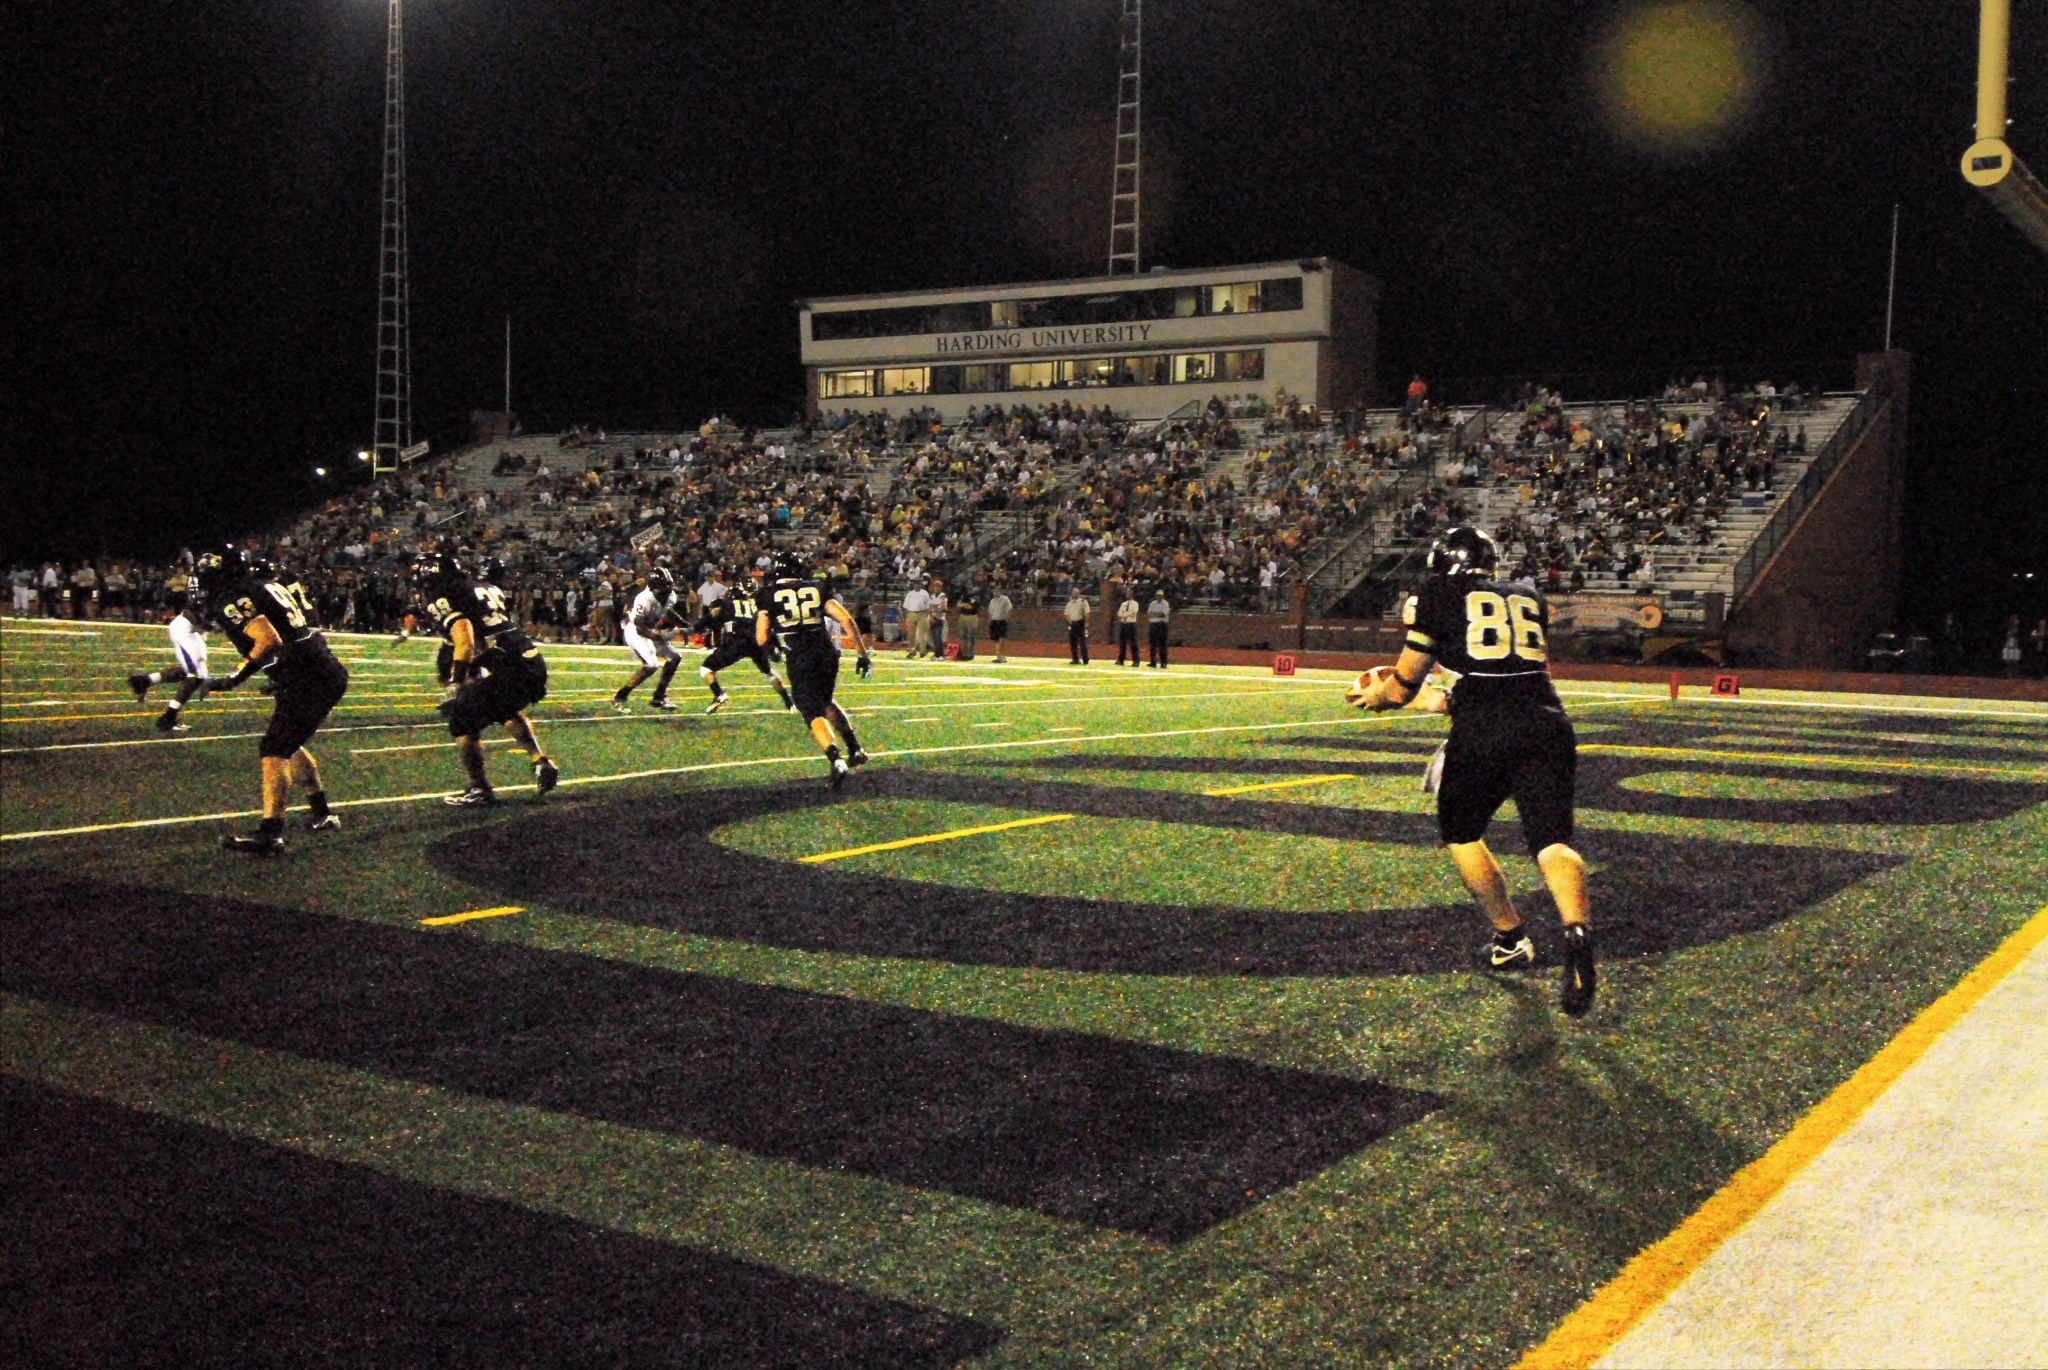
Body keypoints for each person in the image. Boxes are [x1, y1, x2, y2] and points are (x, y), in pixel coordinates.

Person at [1347, 525, 1596, 1016]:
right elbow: (1492, 680)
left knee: (1461, 833)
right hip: (1547, 723)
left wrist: (1381, 696)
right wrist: (1431, 702)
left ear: (1443, 564)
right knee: (1553, 841)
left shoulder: (1438, 592)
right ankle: (1578, 931)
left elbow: (1402, 686)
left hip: (1483, 730)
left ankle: (1510, 937)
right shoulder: (1527, 595)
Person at [198, 547, 349, 854]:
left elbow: (268, 639)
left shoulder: (234, 595)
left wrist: (233, 679)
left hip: (306, 676)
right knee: (288, 744)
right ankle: (322, 812)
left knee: (274, 749)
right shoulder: (265, 585)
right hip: (314, 669)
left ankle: (271, 833)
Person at [414, 553, 559, 807]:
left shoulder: (443, 595)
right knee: (504, 709)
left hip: (509, 665)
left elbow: (466, 639)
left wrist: (456, 683)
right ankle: (540, 760)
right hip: (529, 659)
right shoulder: (485, 587)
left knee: (462, 722)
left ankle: (479, 789)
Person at [758, 549, 874, 788]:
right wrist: (862, 654)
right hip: (826, 651)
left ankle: (835, 759)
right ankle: (855, 748)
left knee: (811, 712)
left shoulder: (768, 594)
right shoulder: (818, 588)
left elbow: (760, 636)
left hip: (800, 655)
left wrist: (773, 648)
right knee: (825, 700)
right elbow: (846, 620)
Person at [697, 564, 796, 714]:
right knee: (768, 672)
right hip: (755, 641)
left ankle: (719, 694)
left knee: (706, 668)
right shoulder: (756, 605)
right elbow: (768, 626)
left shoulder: (727, 604)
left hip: (736, 642)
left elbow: (708, 622)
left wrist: (698, 625)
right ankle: (789, 703)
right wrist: (777, 646)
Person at [127, 598, 213, 732]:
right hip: (185, 628)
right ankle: (168, 718)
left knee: (194, 671)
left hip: (191, 629)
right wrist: (208, 625)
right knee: (195, 675)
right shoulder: (215, 591)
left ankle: (144, 681)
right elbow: (194, 609)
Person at [614, 566, 685, 712]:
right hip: (635, 631)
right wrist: (661, 636)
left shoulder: (670, 595)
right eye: (664, 589)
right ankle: (620, 696)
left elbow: (668, 611)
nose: (668, 592)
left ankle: (659, 697)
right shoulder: (644, 598)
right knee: (651, 665)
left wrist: (686, 624)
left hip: (649, 630)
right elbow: (640, 628)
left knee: (675, 658)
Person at [901, 578, 931, 658]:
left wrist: (927, 615)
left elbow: (928, 605)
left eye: (918, 583)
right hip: (911, 613)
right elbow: (905, 606)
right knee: (911, 635)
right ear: (913, 585)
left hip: (921, 613)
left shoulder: (925, 593)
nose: (917, 585)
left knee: (922, 634)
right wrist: (905, 616)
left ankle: (922, 651)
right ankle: (912, 651)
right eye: (915, 583)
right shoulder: (910, 594)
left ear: (921, 584)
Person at [1064, 587, 1091, 664]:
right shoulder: (1069, 603)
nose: (1075, 594)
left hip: (1080, 623)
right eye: (1073, 592)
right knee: (1073, 643)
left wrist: (1087, 623)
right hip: (1073, 624)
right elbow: (1066, 614)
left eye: (1076, 592)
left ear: (1079, 594)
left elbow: (1087, 613)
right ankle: (1075, 659)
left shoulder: (1083, 602)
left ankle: (1085, 659)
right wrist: (1070, 622)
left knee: (1082, 643)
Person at [986, 585, 1013, 663]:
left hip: (1002, 621)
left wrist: (1007, 619)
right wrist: (989, 623)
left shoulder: (1005, 599)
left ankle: (1002, 655)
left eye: (997, 591)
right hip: (994, 621)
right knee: (997, 639)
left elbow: (1010, 609)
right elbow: (990, 612)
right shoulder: (992, 601)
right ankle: (998, 655)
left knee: (1002, 638)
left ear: (1001, 592)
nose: (995, 593)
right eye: (994, 591)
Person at [1115, 587, 1141, 665]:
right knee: (1122, 643)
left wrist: (1124, 615)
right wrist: (1125, 615)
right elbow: (1119, 613)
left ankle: (1136, 660)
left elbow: (1133, 613)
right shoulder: (1123, 604)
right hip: (1123, 624)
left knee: (1133, 643)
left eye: (1129, 593)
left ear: (1132, 594)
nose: (1127, 594)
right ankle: (1121, 659)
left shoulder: (1135, 604)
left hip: (1131, 624)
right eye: (1126, 593)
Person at [1147, 587, 1172, 668]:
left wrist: (1154, 614)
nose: (1159, 597)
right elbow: (1149, 614)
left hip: (1161, 625)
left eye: (1160, 595)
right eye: (1158, 595)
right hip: (1153, 625)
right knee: (1152, 645)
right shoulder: (1152, 603)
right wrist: (1157, 614)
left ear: (1162, 596)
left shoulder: (1165, 604)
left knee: (1162, 645)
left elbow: (1163, 614)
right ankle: (1152, 661)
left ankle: (1163, 662)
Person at [954, 588, 981, 661]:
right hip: (963, 616)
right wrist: (965, 604)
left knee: (971, 636)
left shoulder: (976, 597)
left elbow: (971, 606)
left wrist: (964, 605)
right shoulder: (964, 596)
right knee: (963, 636)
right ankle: (965, 653)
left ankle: (971, 654)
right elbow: (958, 605)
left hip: (972, 617)